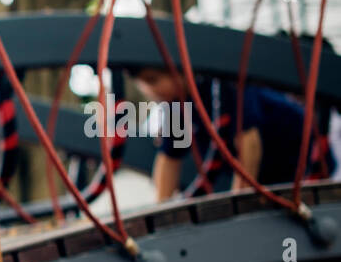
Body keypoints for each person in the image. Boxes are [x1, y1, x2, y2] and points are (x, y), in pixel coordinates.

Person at [134, 65, 329, 201]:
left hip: (303, 162)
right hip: (268, 178)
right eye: (141, 83)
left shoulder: (223, 83)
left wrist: (238, 204)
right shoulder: (176, 106)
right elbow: (169, 160)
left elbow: (249, 145)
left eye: (153, 80)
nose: (149, 90)